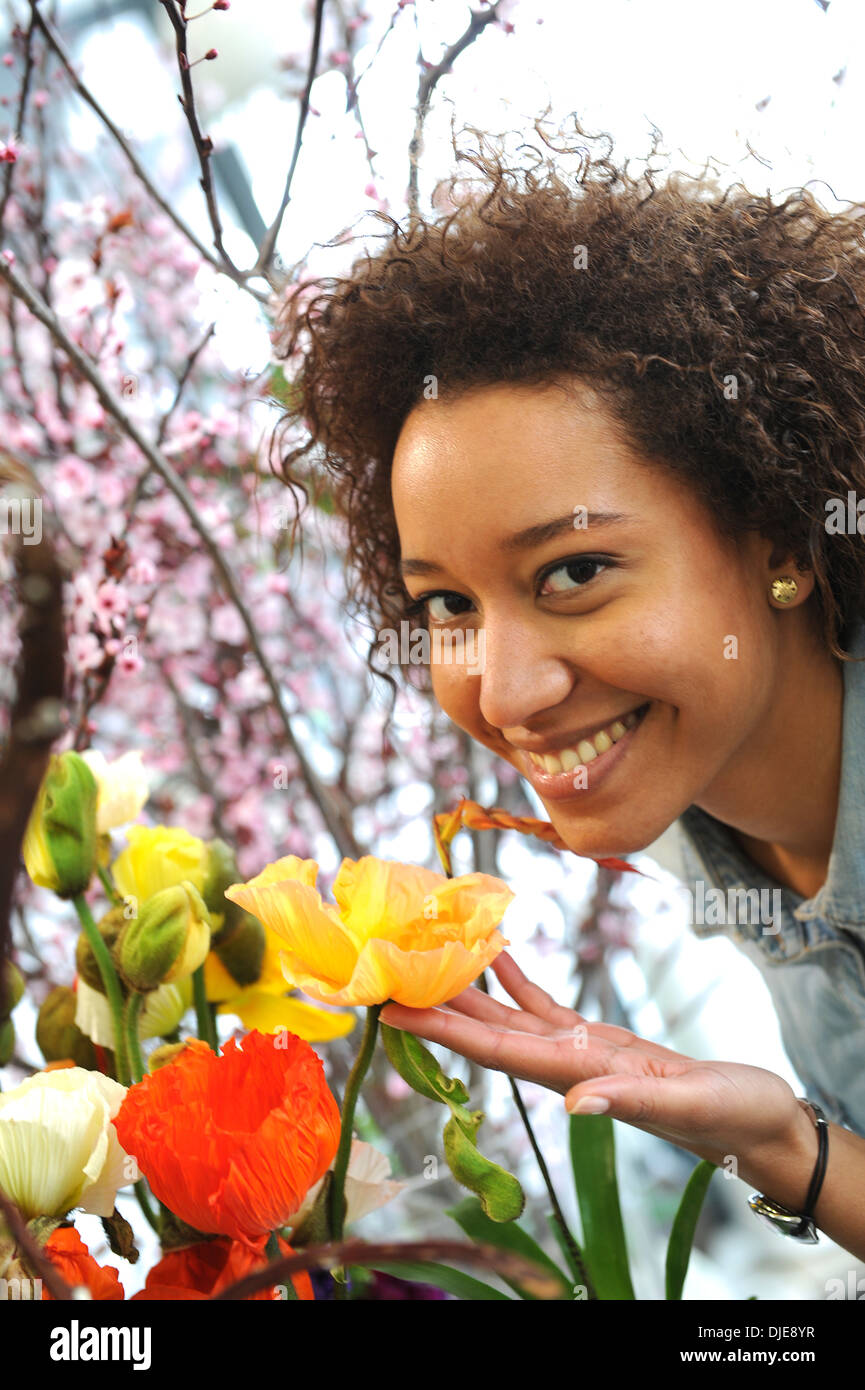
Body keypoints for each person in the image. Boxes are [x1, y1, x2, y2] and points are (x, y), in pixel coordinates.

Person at [270, 116, 865, 1261]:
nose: (505, 692)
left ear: (783, 536)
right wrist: (793, 1149)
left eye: (575, 573)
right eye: (446, 603)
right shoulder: (699, 804)